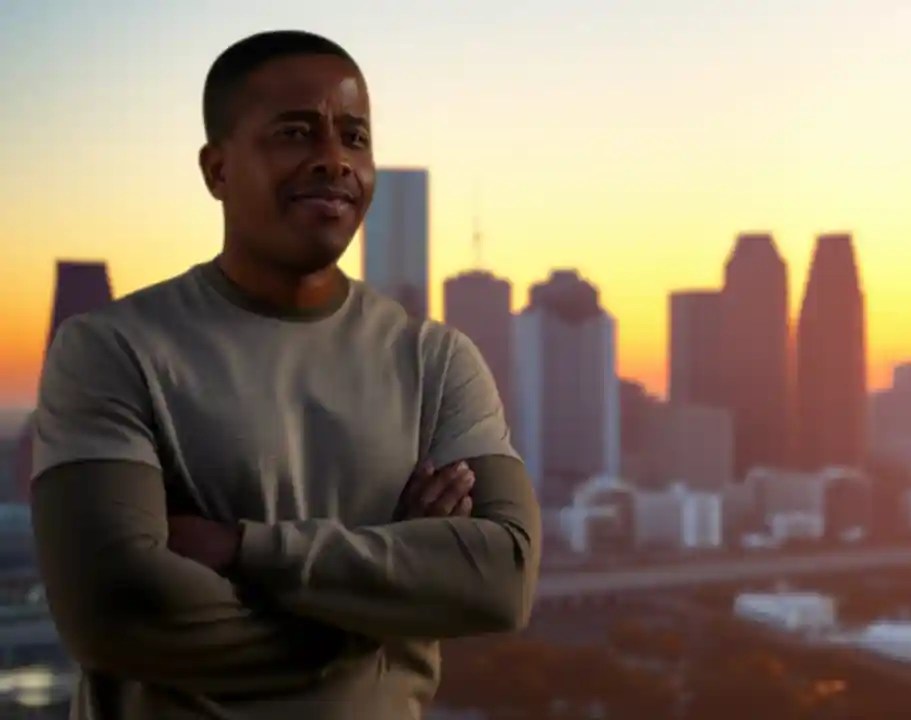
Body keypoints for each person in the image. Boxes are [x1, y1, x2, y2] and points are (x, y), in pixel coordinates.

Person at [29, 30, 541, 719]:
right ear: (216, 170)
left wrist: (240, 548)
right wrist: (390, 599)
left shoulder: (436, 360)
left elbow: (503, 579)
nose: (334, 159)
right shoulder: (112, 349)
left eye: (355, 137)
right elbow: (115, 612)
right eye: (296, 133)